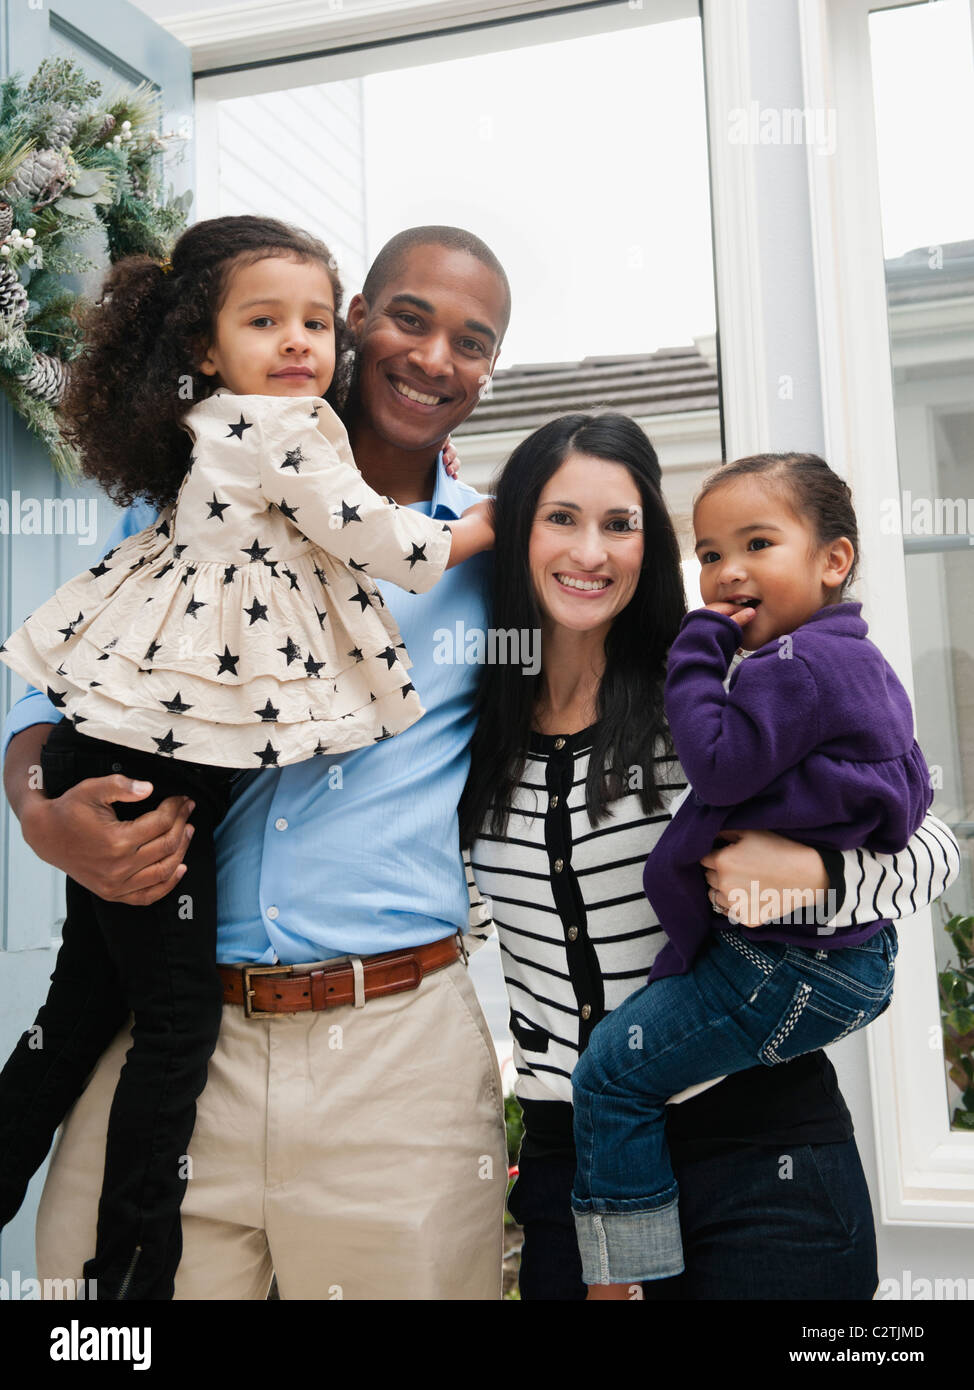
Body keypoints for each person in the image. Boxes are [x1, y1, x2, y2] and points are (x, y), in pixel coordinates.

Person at [1, 225, 511, 1300]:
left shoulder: (503, 558)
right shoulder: (197, 497)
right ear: (361, 321)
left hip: (394, 1055)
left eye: (473, 341)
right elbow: (49, 693)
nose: (433, 357)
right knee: (95, 1326)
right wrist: (43, 810)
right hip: (179, 1032)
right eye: (410, 318)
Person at [459, 414, 959, 1301]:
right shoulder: (471, 728)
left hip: (763, 1162)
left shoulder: (719, 693)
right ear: (520, 530)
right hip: (572, 1165)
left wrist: (821, 877)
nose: (592, 551)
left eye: (621, 524)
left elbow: (932, 849)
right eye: (560, 518)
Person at [569, 452, 931, 1294]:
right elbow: (899, 785)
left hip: (787, 994)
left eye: (757, 543)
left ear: (832, 559)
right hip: (828, 964)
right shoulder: (839, 663)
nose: (726, 572)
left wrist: (813, 874)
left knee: (613, 1072)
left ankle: (623, 1282)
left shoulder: (783, 667)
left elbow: (924, 840)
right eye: (708, 553)